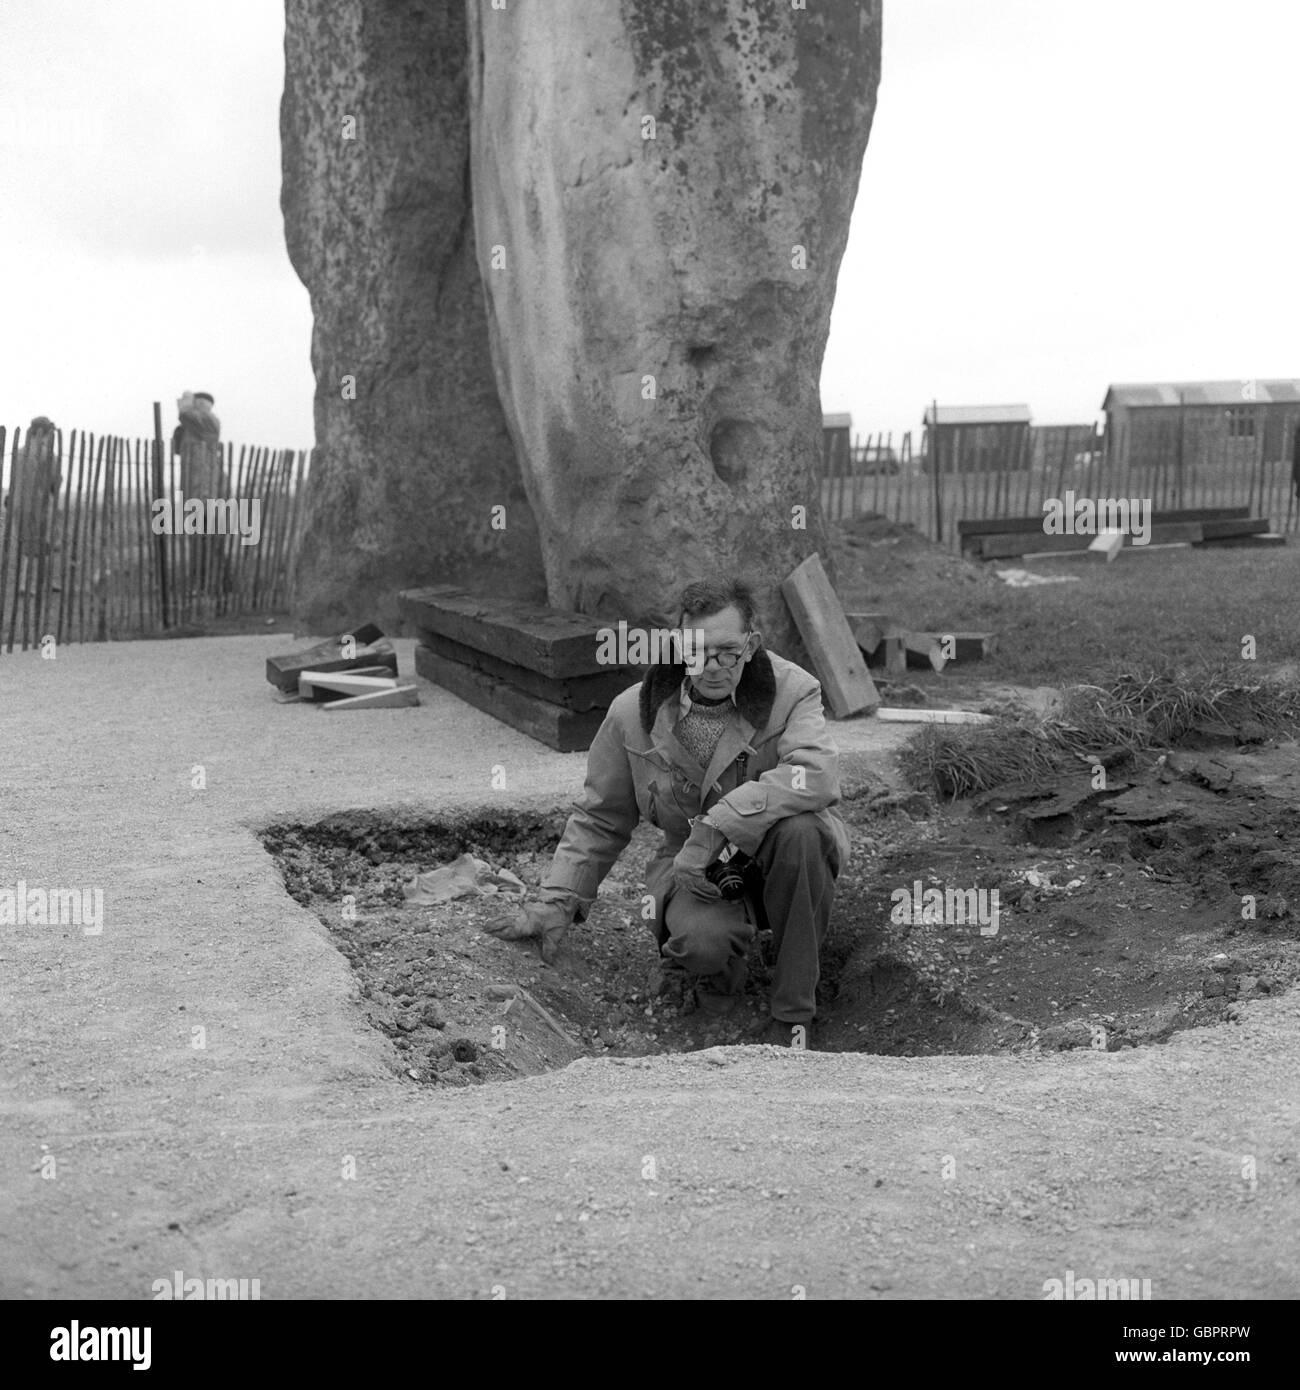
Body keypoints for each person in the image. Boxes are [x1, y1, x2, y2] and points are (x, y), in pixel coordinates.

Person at [485, 575, 850, 1050]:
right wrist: (557, 902)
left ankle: (794, 1010)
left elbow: (816, 776)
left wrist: (720, 823)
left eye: (727, 653)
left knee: (804, 831)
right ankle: (718, 973)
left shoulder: (793, 691)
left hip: (778, 853)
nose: (712, 667)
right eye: (696, 651)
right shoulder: (630, 715)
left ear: (752, 644)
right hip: (695, 870)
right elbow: (600, 817)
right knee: (701, 945)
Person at [174, 390, 231, 605]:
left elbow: (187, 416)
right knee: (198, 541)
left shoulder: (209, 422)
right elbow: (177, 444)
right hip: (193, 492)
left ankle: (214, 586)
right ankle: (202, 585)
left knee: (210, 540)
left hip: (209, 493)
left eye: (198, 404)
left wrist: (186, 407)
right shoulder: (190, 428)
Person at [14, 416, 61, 596]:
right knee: (46, 543)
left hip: (20, 504)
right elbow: (54, 483)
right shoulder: (47, 454)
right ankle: (43, 583)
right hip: (40, 505)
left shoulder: (19, 452)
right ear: (44, 433)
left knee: (27, 544)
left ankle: (25, 584)